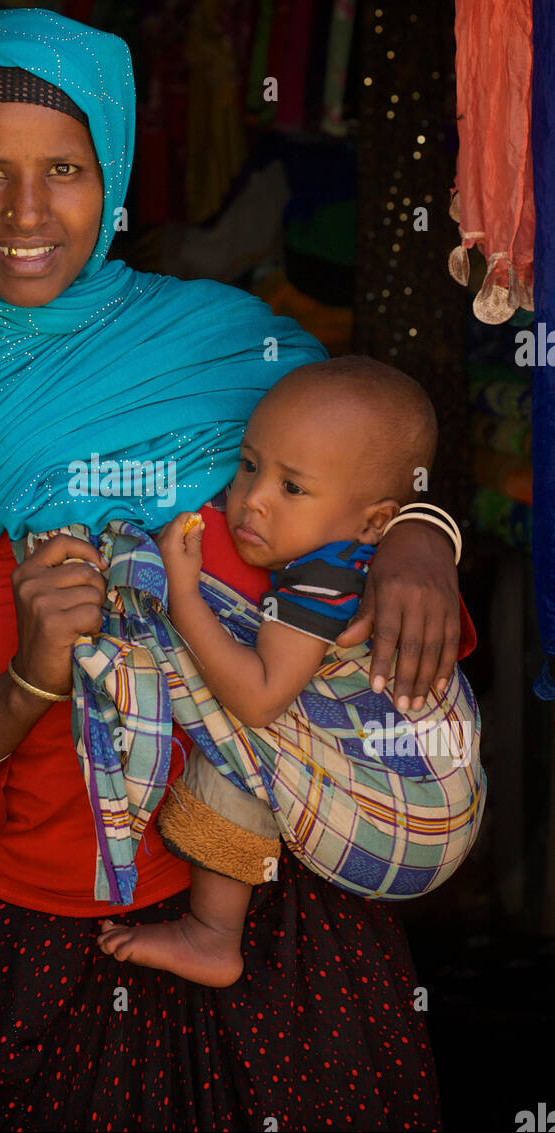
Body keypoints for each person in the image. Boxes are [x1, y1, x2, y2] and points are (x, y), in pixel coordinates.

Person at [0, 9, 471, 1132]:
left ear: (109, 174)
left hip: (284, 944)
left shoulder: (228, 354)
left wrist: (419, 534)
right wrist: (20, 691)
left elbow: (390, 613)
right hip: (32, 965)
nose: (26, 213)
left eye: (63, 168)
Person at [96, 356, 483, 988]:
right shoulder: (335, 551)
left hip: (404, 811)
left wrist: (186, 596)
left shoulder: (327, 577)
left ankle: (213, 934)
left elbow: (258, 699)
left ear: (375, 522)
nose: (253, 500)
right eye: (248, 466)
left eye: (292, 488)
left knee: (230, 737)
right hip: (417, 796)